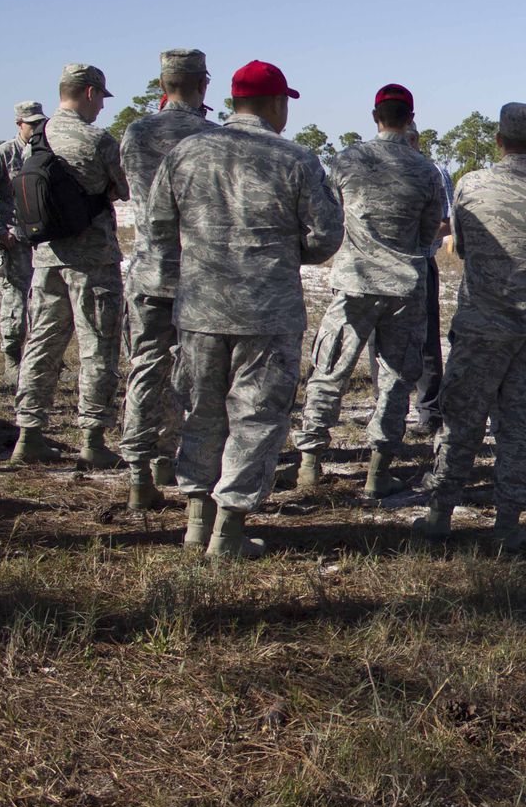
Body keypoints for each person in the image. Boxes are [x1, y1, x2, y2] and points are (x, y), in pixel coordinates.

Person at [148, 60, 343, 558]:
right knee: (255, 416)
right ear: (277, 104)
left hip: (200, 310)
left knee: (200, 411)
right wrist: (275, 252)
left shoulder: (185, 153)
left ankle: (197, 521)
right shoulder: (296, 160)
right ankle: (229, 529)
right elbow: (325, 240)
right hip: (266, 311)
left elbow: (158, 227)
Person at [403, 102, 526, 553]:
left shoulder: (471, 185)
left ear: (498, 140)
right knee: (520, 428)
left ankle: (439, 514)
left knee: (460, 422)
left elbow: (460, 248)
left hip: (481, 326)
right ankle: (508, 523)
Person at [291, 84, 443, 497]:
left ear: (375, 115)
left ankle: (309, 462)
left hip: (354, 282)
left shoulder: (345, 161)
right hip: (405, 288)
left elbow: (326, 216)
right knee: (395, 380)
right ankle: (379, 469)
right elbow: (429, 234)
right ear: (410, 118)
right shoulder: (426, 171)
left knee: (329, 371)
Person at [11, 65, 129, 467]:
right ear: (91, 93)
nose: (100, 109)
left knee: (42, 343)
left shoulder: (35, 139)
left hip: (46, 257)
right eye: (101, 99)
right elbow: (125, 188)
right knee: (97, 346)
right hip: (93, 260)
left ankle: (28, 434)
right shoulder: (97, 140)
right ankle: (93, 439)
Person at [118, 49, 218, 510]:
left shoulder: (136, 134)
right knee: (192, 374)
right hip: (199, 278)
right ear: (204, 84)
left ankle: (138, 470)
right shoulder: (212, 138)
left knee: (145, 367)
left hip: (150, 270)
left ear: (162, 86)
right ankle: (170, 458)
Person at [0, 101, 48, 388]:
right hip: (12, 242)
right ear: (18, 123)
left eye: (39, 123)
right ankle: (12, 362)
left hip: (42, 241)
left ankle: (45, 363)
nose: (35, 128)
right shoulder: (1, 155)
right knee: (15, 302)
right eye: (30, 123)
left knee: (44, 303)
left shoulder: (45, 152)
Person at [405, 125, 452, 437]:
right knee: (379, 346)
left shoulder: (435, 171)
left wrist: (415, 240)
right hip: (379, 270)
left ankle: (430, 413)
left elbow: (447, 223)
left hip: (420, 263)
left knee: (426, 343)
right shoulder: (373, 166)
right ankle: (387, 413)